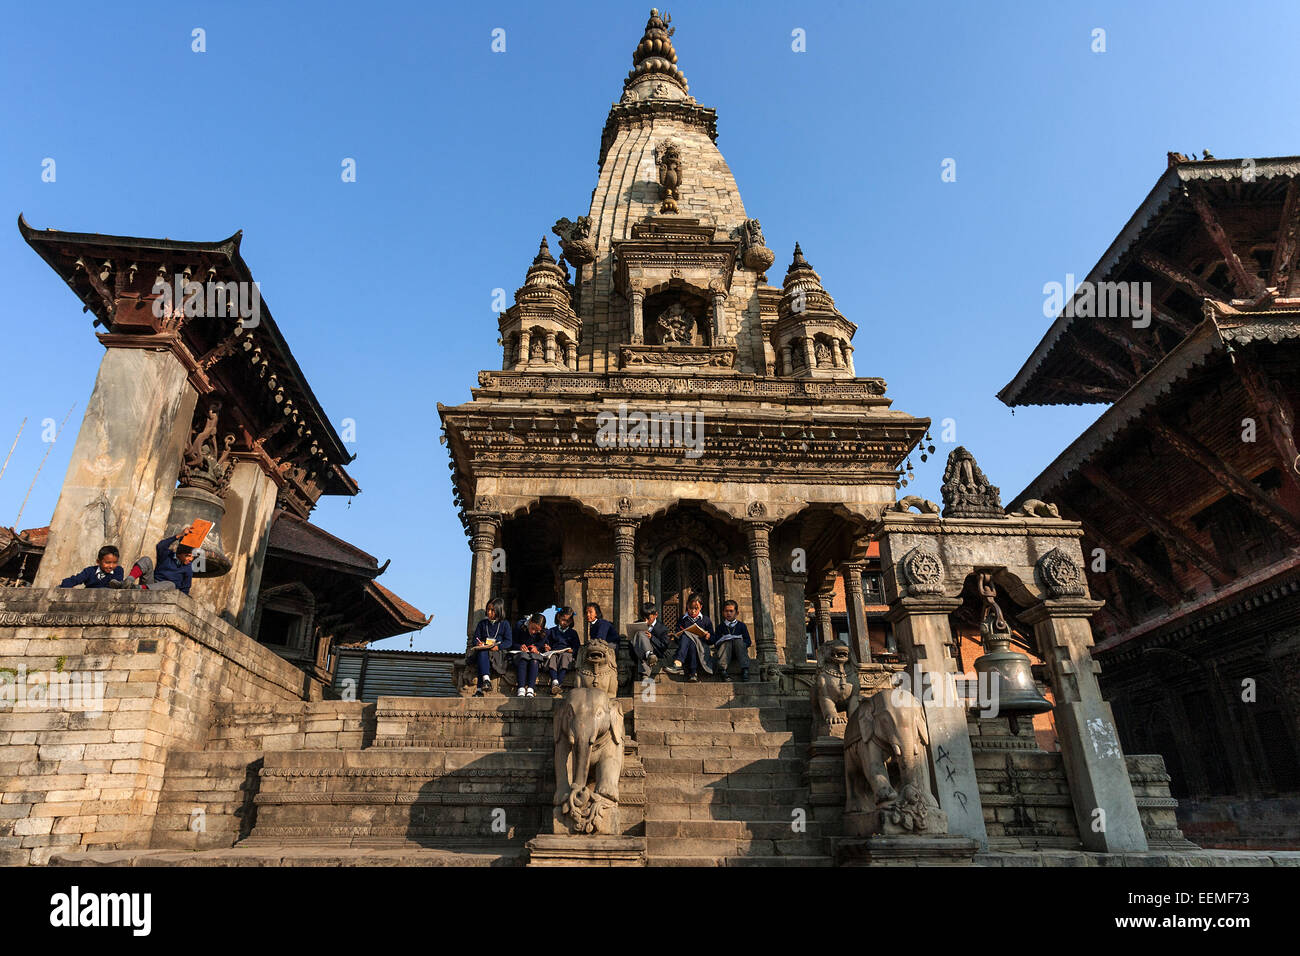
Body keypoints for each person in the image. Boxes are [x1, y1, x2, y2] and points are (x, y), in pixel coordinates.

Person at [113, 526, 198, 593]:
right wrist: (179, 535)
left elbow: (185, 589)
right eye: (188, 555)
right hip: (150, 584)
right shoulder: (167, 555)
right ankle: (128, 582)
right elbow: (160, 546)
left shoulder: (188, 568)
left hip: (164, 592)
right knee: (146, 560)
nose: (191, 559)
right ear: (181, 553)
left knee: (171, 584)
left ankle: (134, 588)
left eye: (193, 556)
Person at [467, 597, 511, 696]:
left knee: (482, 655)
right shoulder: (482, 624)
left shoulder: (504, 624)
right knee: (482, 652)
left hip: (497, 653)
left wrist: (497, 647)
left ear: (499, 611)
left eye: (492, 610)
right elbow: (475, 639)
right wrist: (479, 643)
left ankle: (479, 689)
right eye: (488, 610)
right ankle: (486, 680)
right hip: (484, 650)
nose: (489, 612)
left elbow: (509, 642)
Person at [667, 593, 714, 682]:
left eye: (696, 608)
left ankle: (678, 662)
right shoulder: (682, 620)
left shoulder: (706, 620)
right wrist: (675, 636)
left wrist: (708, 636)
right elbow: (678, 636)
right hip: (686, 645)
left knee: (689, 638)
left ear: (701, 607)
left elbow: (713, 639)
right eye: (690, 608)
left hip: (701, 646)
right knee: (688, 638)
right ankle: (693, 673)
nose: (693, 611)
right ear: (687, 607)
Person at [543, 606, 581, 696]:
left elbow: (577, 647)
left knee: (565, 657)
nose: (565, 623)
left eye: (568, 621)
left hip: (567, 654)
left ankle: (558, 684)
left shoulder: (573, 633)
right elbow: (547, 644)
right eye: (563, 620)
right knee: (552, 657)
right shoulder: (551, 631)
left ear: (571, 621)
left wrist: (573, 650)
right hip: (554, 652)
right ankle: (555, 681)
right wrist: (547, 647)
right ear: (558, 617)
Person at [712, 599, 751, 682]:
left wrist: (741, 643)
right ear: (723, 613)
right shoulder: (720, 627)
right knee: (727, 641)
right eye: (726, 611)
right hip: (725, 652)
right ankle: (722, 670)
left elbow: (748, 641)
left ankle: (745, 670)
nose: (728, 613)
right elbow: (716, 642)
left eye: (731, 611)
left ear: (737, 613)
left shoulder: (741, 626)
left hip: (739, 651)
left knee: (738, 641)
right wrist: (723, 639)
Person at [630, 601, 670, 680]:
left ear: (655, 615)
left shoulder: (663, 629)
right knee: (640, 634)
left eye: (648, 618)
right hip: (639, 650)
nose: (646, 621)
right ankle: (648, 655)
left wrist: (652, 637)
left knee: (641, 634)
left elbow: (664, 646)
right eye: (643, 618)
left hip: (656, 652)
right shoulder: (638, 624)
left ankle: (647, 662)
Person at [511, 612, 547, 698]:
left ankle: (531, 689)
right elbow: (511, 642)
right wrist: (519, 646)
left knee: (534, 661)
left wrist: (537, 648)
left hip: (533, 656)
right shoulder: (520, 626)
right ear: (530, 621)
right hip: (520, 654)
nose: (534, 632)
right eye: (532, 628)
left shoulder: (543, 632)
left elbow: (541, 645)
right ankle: (521, 688)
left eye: (537, 630)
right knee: (523, 659)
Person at [59, 545, 123, 589]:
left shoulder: (118, 570)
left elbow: (116, 585)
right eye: (107, 563)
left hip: (109, 602)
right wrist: (65, 585)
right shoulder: (89, 571)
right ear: (98, 561)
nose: (111, 566)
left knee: (121, 584)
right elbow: (75, 580)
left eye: (115, 562)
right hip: (91, 600)